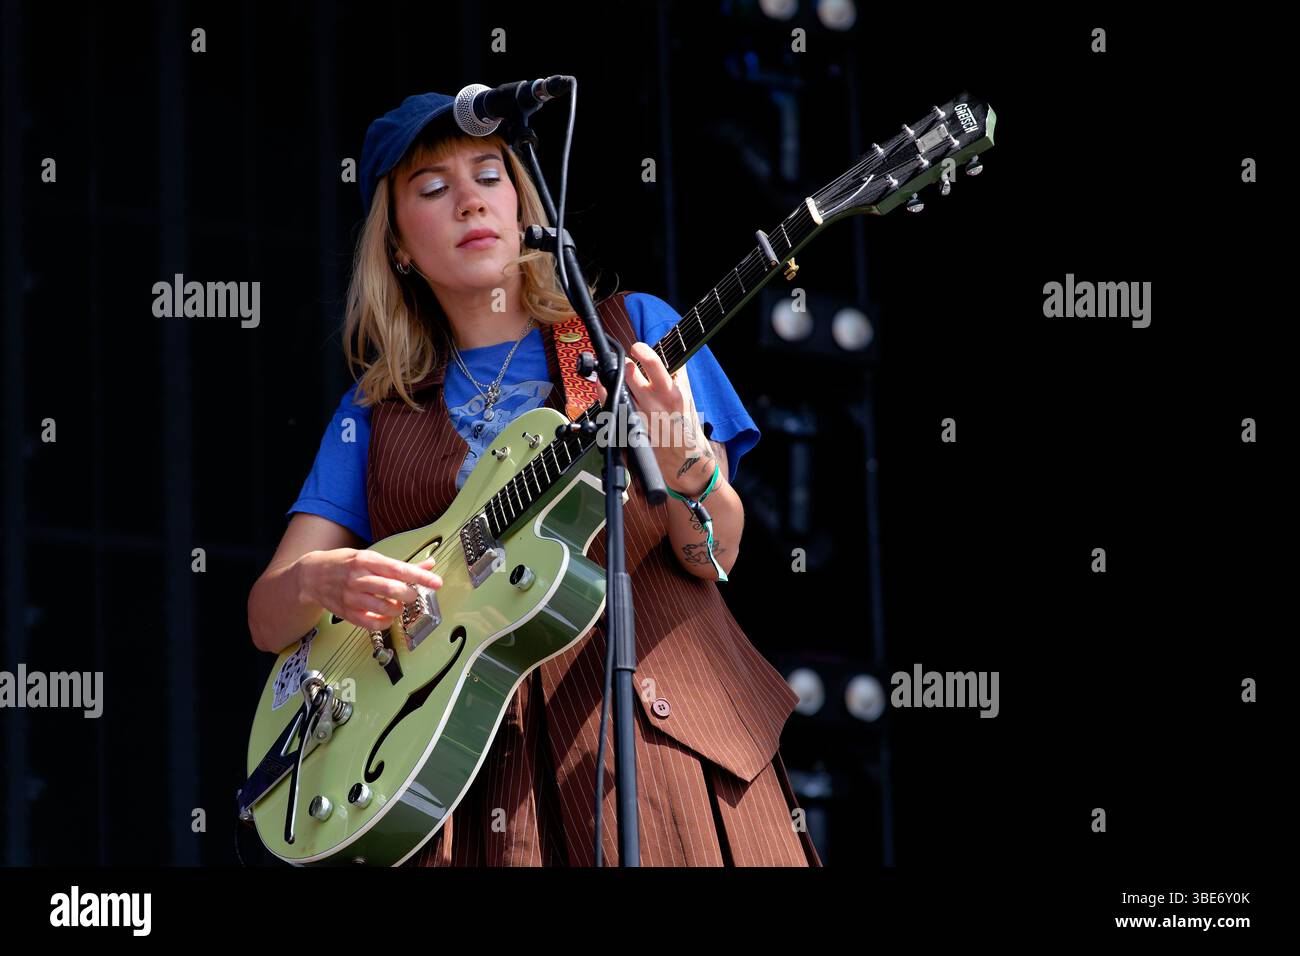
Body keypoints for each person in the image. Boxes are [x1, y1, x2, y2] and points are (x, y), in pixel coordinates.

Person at [247, 91, 821, 867]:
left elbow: (712, 556)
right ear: (398, 248)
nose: (471, 200)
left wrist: (684, 456)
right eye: (433, 187)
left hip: (658, 753)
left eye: (490, 173)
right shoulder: (376, 412)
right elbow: (267, 618)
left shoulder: (635, 330)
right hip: (474, 787)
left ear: (523, 206)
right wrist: (324, 579)